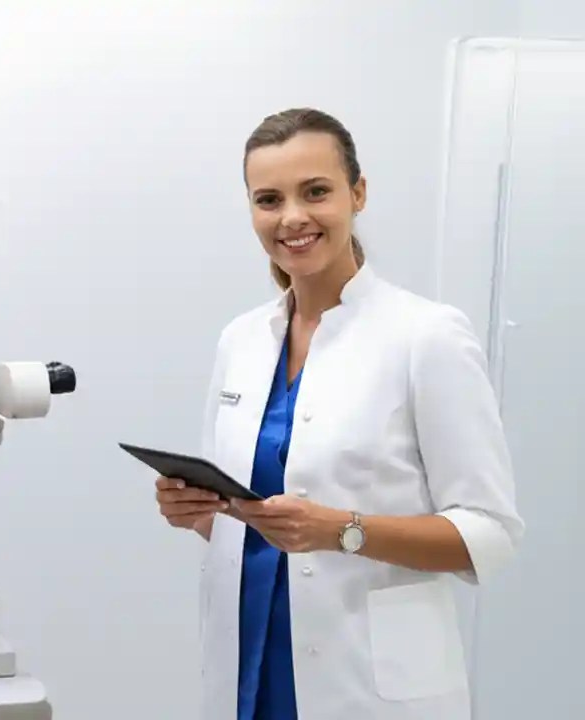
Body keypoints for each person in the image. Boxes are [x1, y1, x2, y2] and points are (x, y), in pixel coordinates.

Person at [154, 108, 522, 719]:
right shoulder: (241, 341)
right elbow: (247, 521)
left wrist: (343, 530)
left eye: (315, 191)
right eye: (269, 200)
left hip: (369, 688)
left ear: (358, 193)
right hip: (249, 669)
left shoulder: (426, 336)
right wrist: (195, 510)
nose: (292, 217)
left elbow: (490, 533)